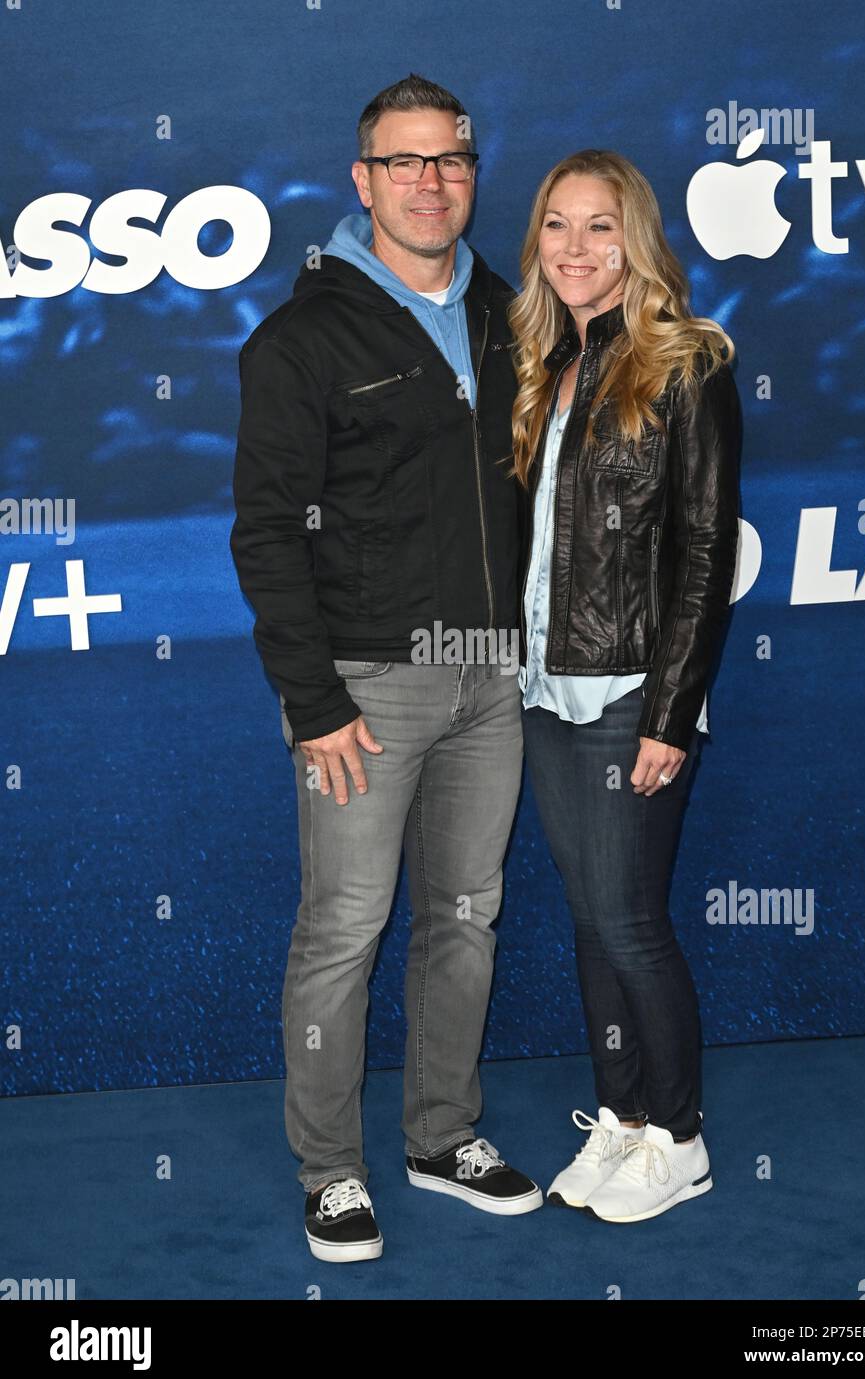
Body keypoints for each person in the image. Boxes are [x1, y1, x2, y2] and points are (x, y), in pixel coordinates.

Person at [230, 74, 542, 1264]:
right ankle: (331, 1169)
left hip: (489, 683)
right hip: (363, 690)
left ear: (471, 175)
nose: (428, 182)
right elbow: (264, 532)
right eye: (402, 163)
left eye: (449, 162)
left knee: (465, 918)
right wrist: (311, 704)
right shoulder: (301, 338)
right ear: (360, 182)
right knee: (344, 928)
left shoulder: (509, 315)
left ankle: (439, 1133)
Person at [510, 148, 742, 1222]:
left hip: (629, 696)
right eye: (555, 225)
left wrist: (668, 712)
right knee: (589, 919)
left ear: (634, 239)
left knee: (629, 920)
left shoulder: (686, 362)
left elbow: (701, 553)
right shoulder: (551, 364)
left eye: (597, 227)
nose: (572, 248)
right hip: (547, 691)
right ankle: (620, 1117)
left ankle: (680, 1139)